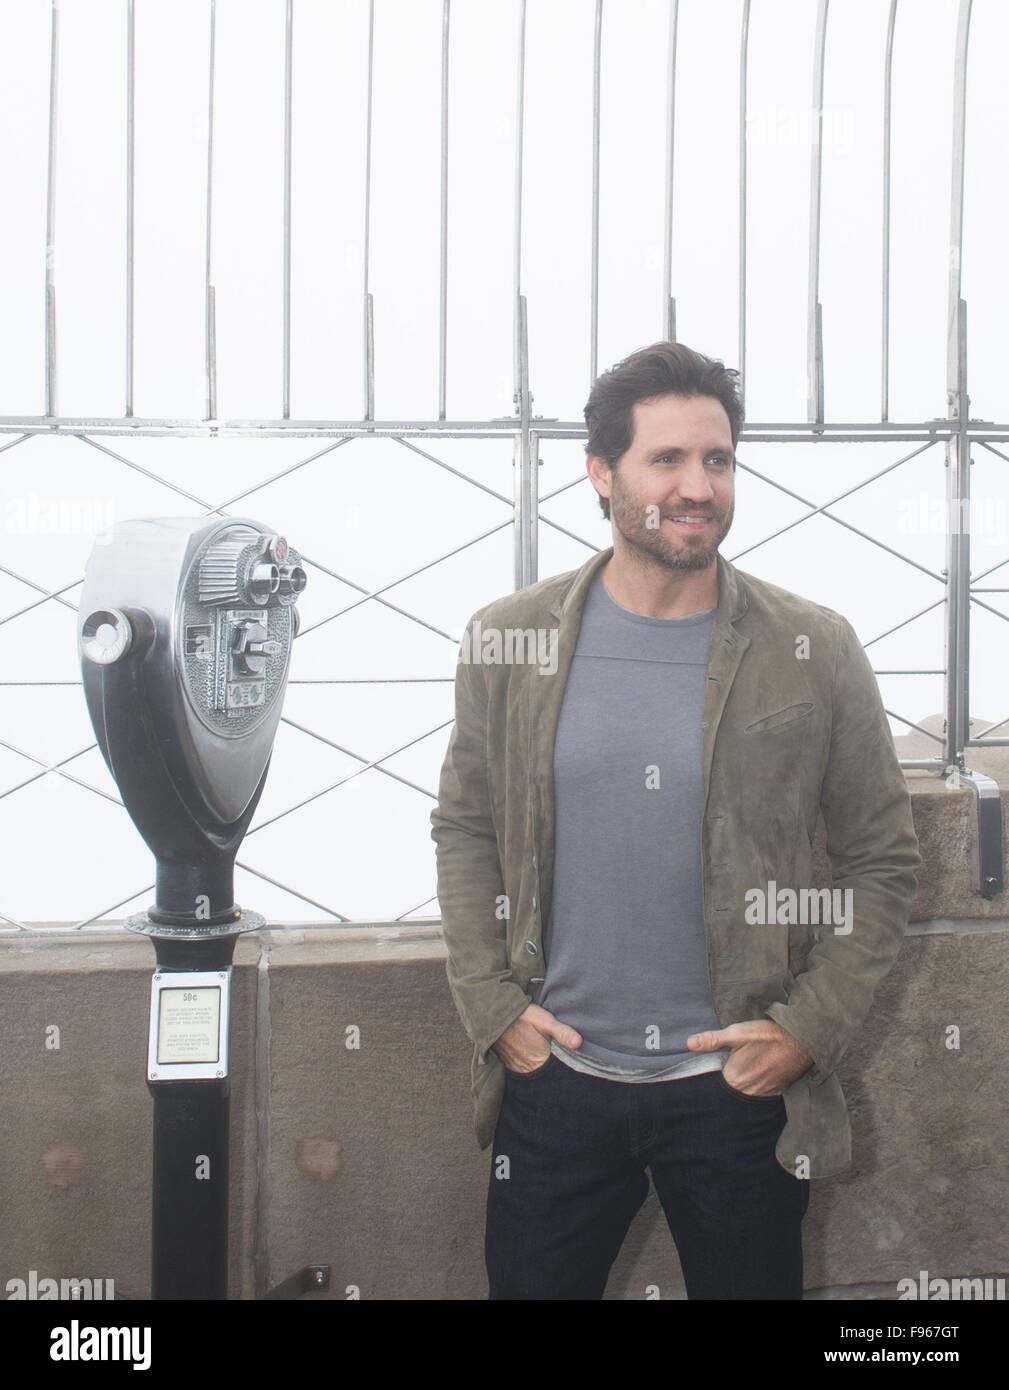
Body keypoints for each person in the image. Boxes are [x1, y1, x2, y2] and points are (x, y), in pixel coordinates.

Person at [430, 341, 920, 1300]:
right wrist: (490, 1006)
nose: (700, 487)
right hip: (554, 1089)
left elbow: (883, 862)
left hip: (736, 1097)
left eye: (719, 460)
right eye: (668, 460)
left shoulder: (811, 649)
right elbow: (465, 827)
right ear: (602, 473)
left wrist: (806, 1030)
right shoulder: (508, 639)